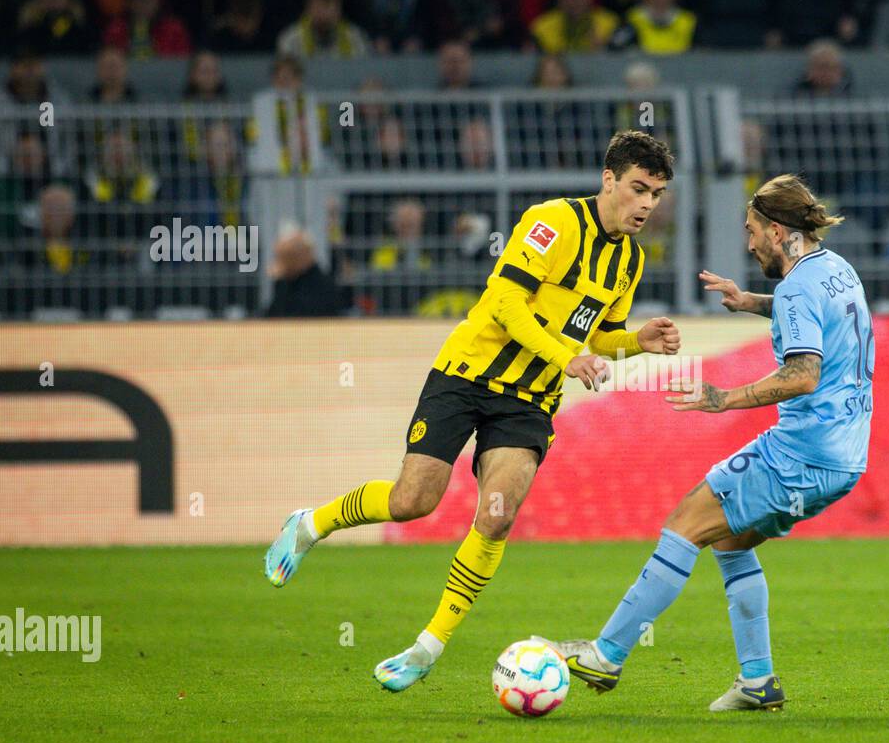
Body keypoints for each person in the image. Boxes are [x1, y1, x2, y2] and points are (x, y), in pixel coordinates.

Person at [262, 132, 682, 694]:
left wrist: (636, 341)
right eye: (638, 189)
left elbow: (597, 333)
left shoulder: (629, 259)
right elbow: (507, 305)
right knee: (414, 500)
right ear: (609, 180)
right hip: (467, 374)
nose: (647, 205)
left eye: (656, 194)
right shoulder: (553, 222)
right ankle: (311, 524)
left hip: (529, 402)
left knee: (498, 514)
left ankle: (428, 645)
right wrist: (569, 356)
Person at [537, 174, 872, 712]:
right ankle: (758, 681)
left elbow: (804, 373)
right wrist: (750, 303)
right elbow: (813, 314)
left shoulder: (798, 287)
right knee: (730, 540)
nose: (748, 243)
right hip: (845, 456)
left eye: (752, 231)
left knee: (685, 523)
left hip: (803, 451)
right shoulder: (836, 271)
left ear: (778, 230)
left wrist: (723, 398)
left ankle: (607, 655)